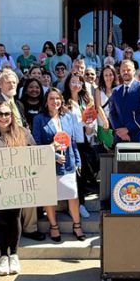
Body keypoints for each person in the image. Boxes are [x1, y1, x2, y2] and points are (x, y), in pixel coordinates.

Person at [0, 101, 37, 274]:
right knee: (2, 219)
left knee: (15, 218)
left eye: (7, 114)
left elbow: (35, 152)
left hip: (17, 184)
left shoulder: (22, 133)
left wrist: (53, 153)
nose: (3, 117)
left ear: (12, 116)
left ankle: (14, 255)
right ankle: (3, 256)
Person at [33, 88, 85, 242]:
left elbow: (73, 141)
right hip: (48, 165)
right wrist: (54, 155)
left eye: (57, 98)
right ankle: (53, 226)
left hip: (68, 163)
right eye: (51, 98)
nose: (54, 101)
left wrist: (77, 160)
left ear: (61, 100)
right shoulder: (39, 119)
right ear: (46, 101)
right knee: (50, 197)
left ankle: (77, 225)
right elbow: (36, 143)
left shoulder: (68, 117)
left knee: (73, 195)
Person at [63, 73, 99, 218]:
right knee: (73, 175)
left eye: (79, 82)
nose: (76, 85)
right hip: (68, 144)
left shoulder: (86, 101)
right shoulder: (64, 101)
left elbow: (90, 123)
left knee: (82, 174)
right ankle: (75, 205)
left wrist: (90, 129)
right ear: (68, 84)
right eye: (73, 82)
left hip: (83, 143)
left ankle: (81, 203)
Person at [109, 60, 140, 145]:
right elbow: (112, 114)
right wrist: (119, 131)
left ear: (134, 71)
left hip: (139, 138)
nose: (125, 72)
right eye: (123, 70)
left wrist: (127, 129)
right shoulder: (115, 91)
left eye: (128, 70)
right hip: (120, 139)